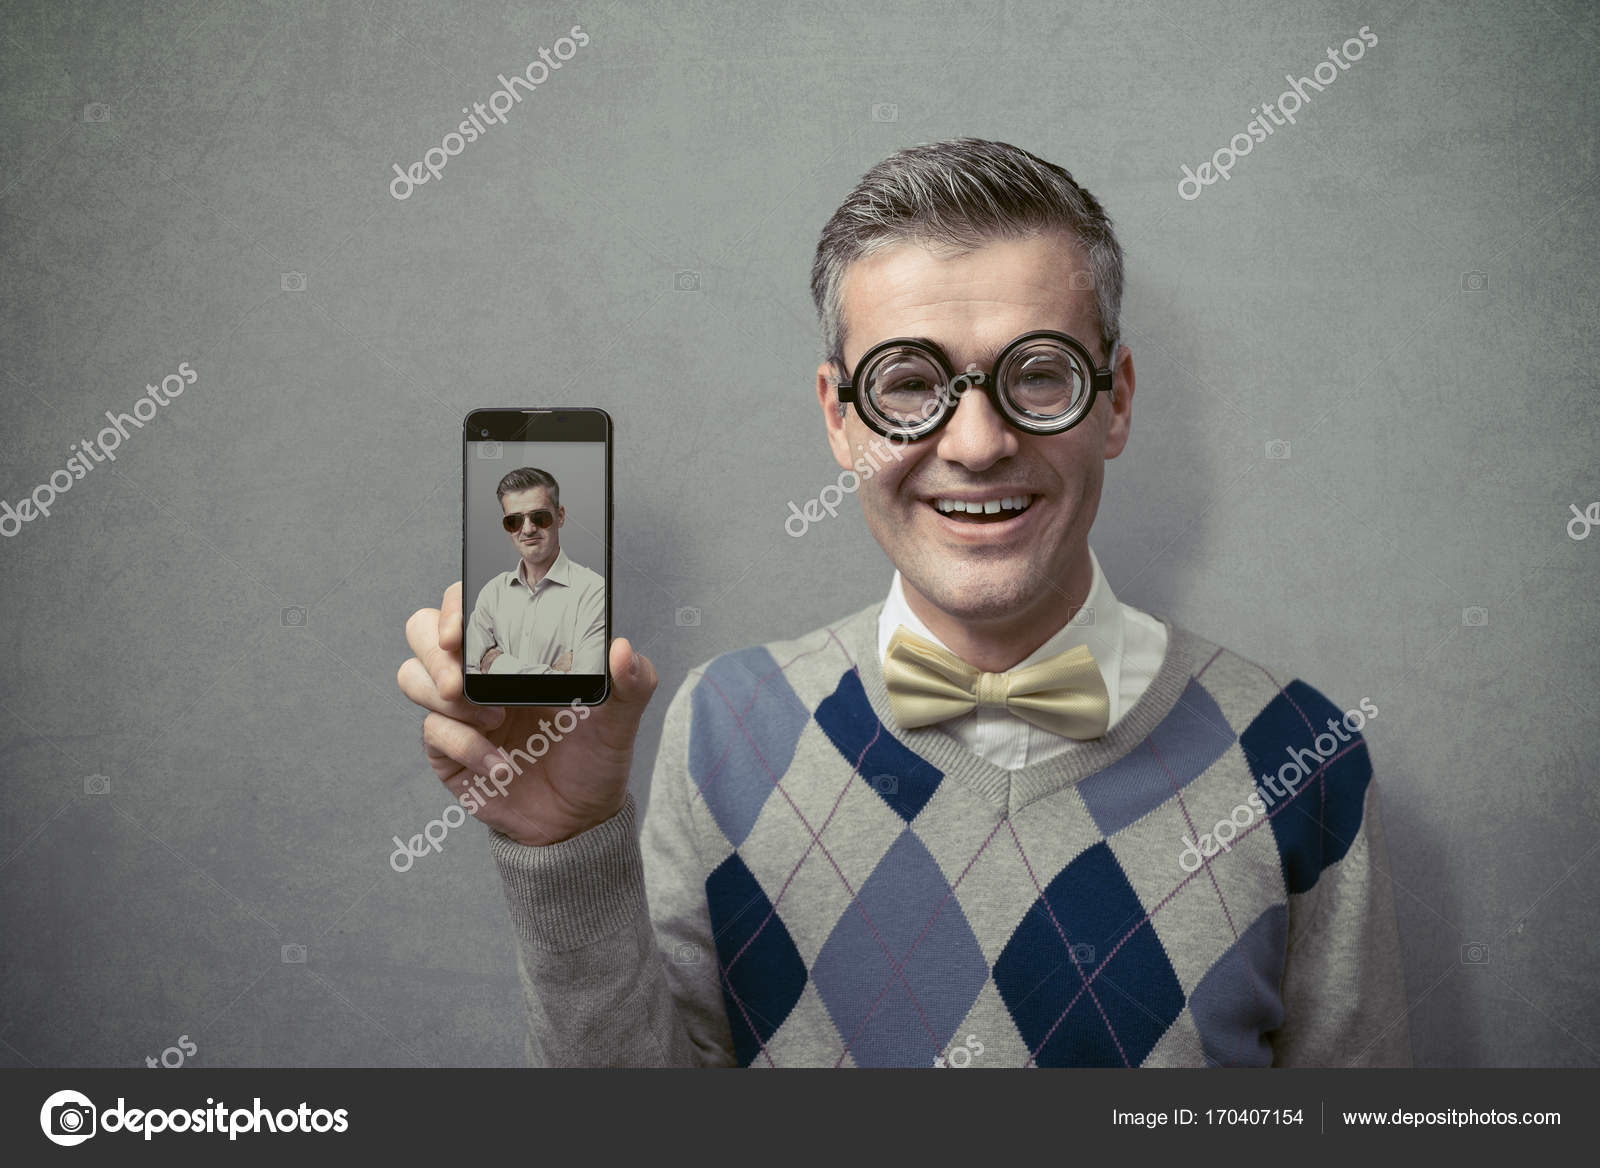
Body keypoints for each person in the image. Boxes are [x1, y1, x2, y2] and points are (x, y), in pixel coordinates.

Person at [398, 138, 1412, 1067]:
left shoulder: (1299, 754)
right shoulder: (721, 728)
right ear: (839, 418)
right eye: (909, 384)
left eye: (1040, 375)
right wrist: (563, 852)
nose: (976, 444)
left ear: (1117, 399)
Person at [464, 466, 606, 676]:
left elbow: (586, 683)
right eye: (514, 521)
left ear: (560, 516)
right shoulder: (492, 593)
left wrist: (495, 664)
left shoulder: (594, 591)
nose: (528, 529)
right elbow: (468, 675)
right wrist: (556, 673)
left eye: (539, 517)